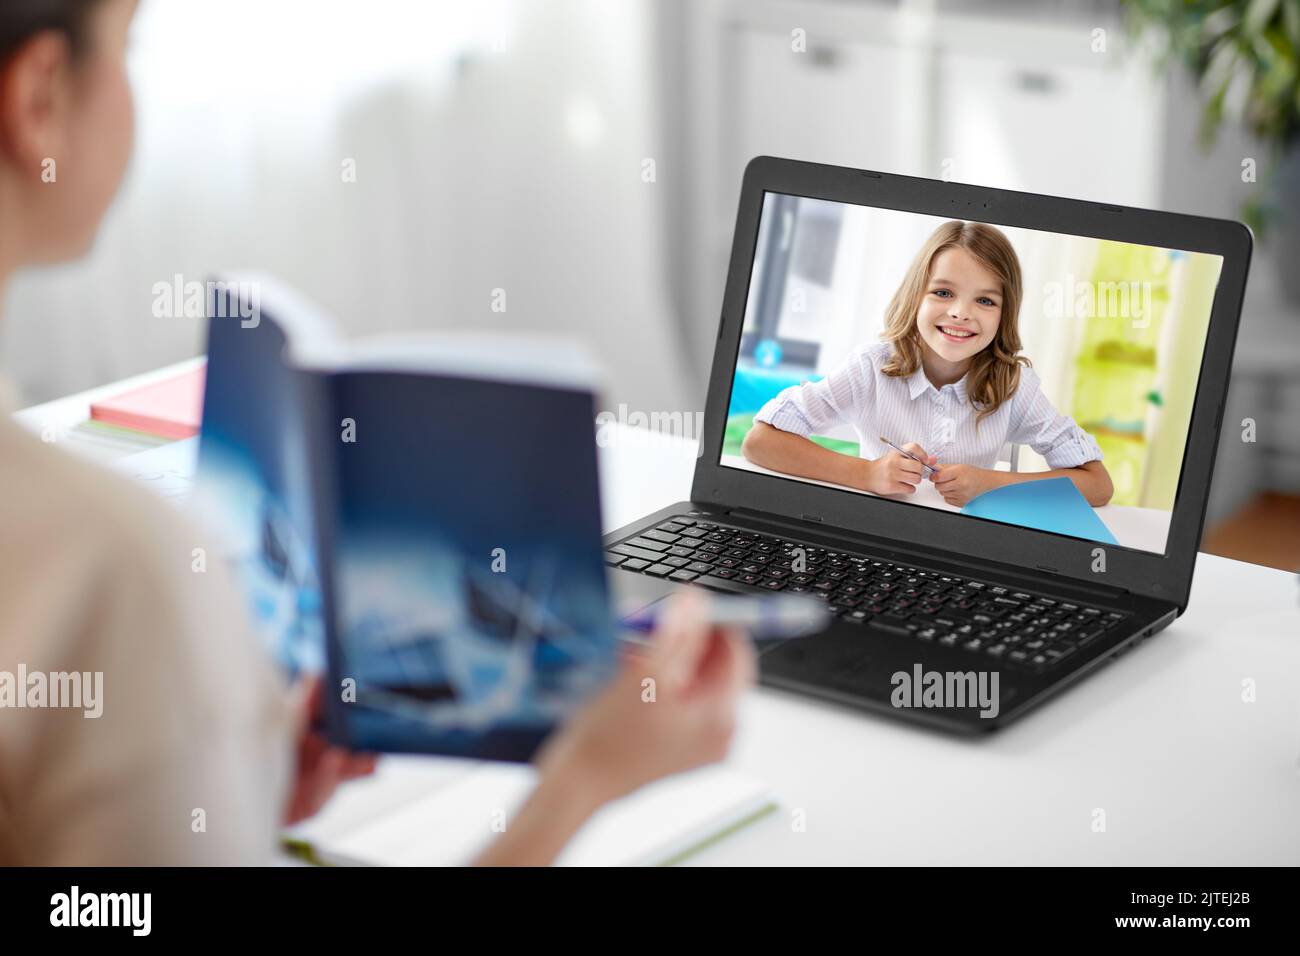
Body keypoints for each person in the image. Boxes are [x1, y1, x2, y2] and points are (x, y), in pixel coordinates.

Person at [0, 0, 753, 866]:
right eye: (128, 46)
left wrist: (227, 792)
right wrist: (585, 776)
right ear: (38, 98)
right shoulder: (117, 567)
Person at [742, 219, 1113, 509]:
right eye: (943, 292)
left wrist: (990, 483)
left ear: (1005, 314)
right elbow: (759, 442)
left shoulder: (1014, 385)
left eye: (985, 301)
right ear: (916, 296)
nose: (960, 313)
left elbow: (1097, 484)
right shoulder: (871, 367)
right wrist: (868, 474)